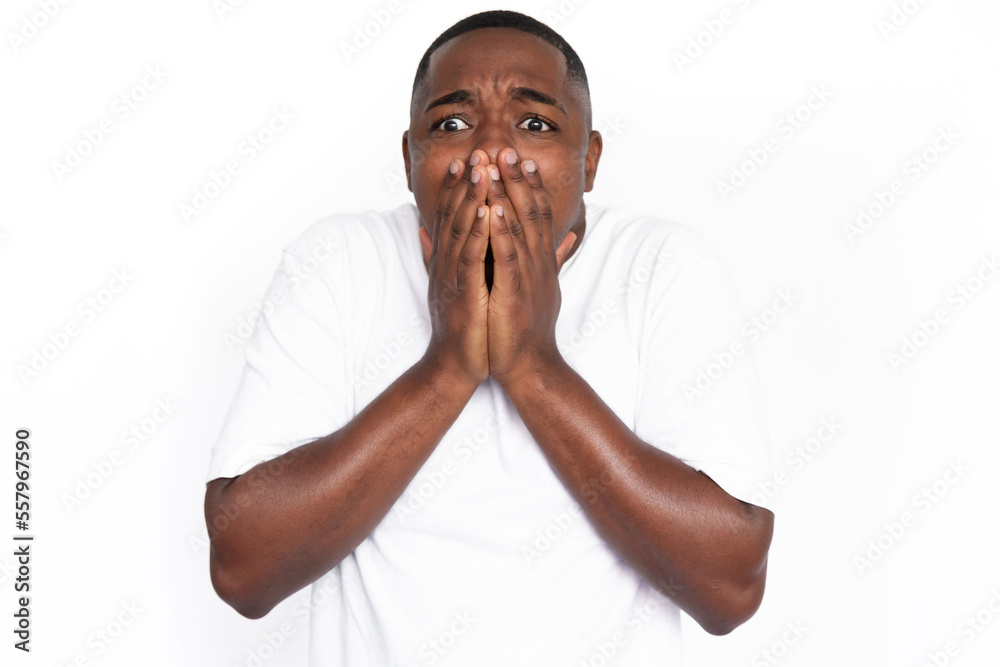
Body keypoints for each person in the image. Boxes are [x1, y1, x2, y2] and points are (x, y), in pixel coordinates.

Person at [204, 9, 775, 666]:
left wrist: (533, 364)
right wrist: (447, 367)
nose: (490, 154)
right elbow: (243, 567)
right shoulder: (336, 261)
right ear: (409, 154)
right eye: (451, 123)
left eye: (535, 124)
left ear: (588, 159)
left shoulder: (661, 266)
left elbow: (729, 587)